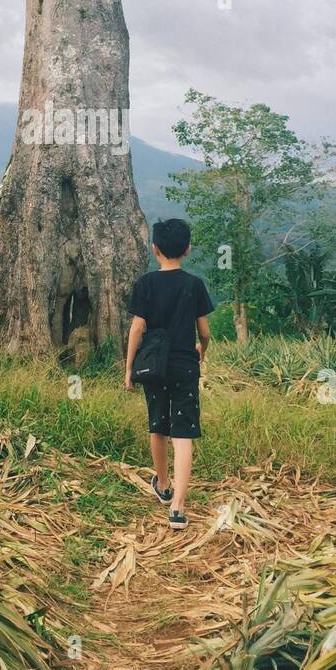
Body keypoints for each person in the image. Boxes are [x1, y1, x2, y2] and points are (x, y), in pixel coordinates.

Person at [124, 218, 213, 530]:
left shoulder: (145, 284)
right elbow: (204, 331)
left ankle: (163, 485)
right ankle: (177, 508)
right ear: (187, 249)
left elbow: (137, 328)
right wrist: (202, 349)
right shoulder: (194, 285)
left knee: (157, 425)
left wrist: (128, 368)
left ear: (155, 249)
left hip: (153, 366)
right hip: (185, 365)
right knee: (184, 433)